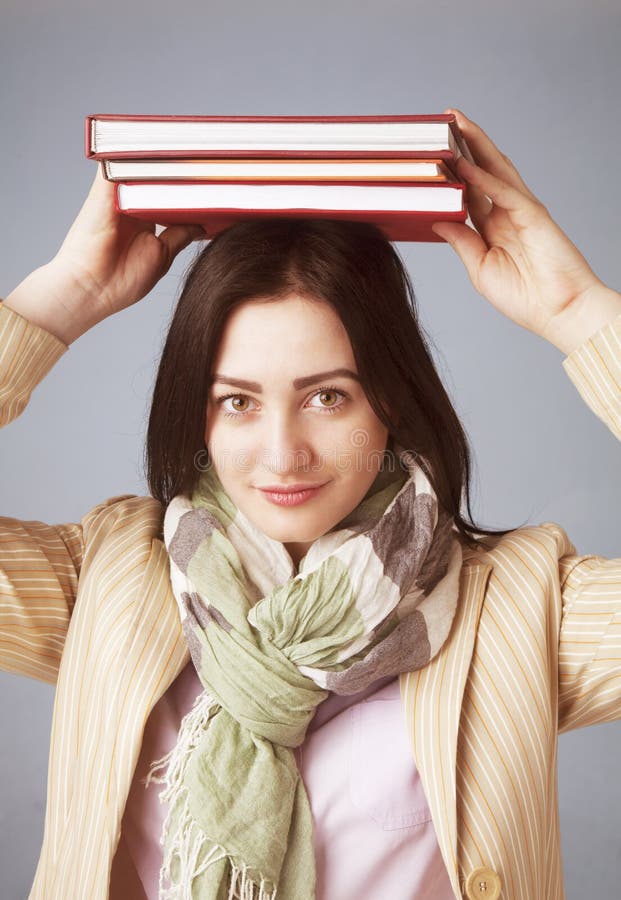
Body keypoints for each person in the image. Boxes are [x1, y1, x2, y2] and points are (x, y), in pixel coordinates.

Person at [1, 108, 619, 900]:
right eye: (237, 402)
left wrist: (578, 313)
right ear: (195, 413)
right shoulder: (107, 582)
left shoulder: (518, 612)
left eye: (327, 396)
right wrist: (58, 302)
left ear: (390, 402)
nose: (281, 453)